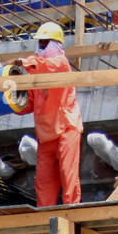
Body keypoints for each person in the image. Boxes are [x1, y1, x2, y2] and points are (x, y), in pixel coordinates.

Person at [17, 22, 82, 207]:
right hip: (46, 135)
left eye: (45, 43)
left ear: (55, 43)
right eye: (40, 43)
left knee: (68, 175)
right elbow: (28, 104)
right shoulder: (37, 72)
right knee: (44, 183)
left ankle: (73, 213)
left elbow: (46, 66)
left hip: (66, 128)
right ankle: (46, 218)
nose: (41, 47)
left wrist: (25, 62)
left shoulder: (60, 64)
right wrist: (12, 100)